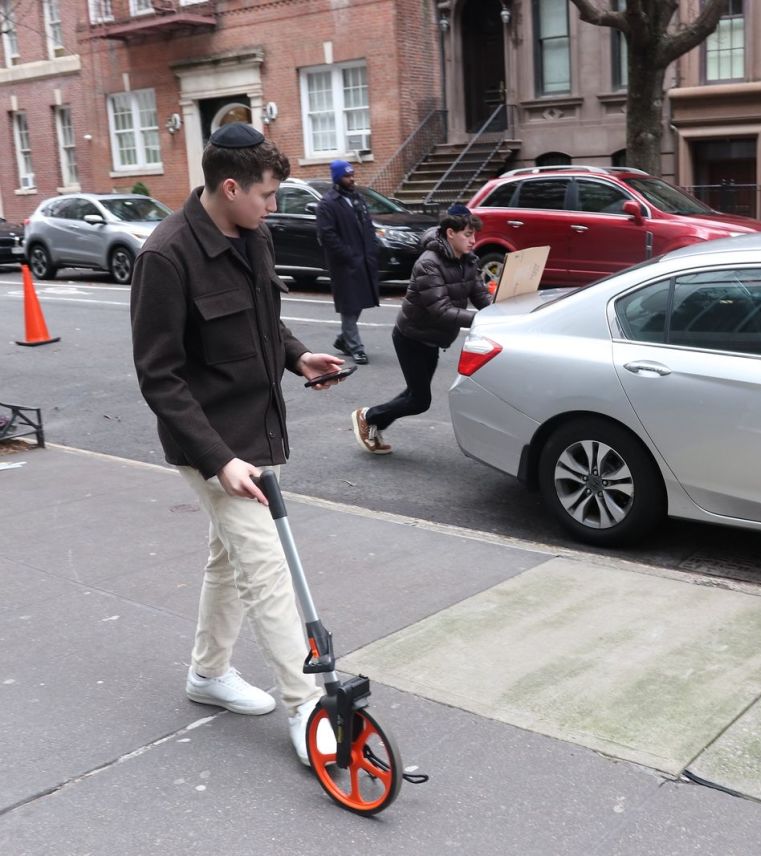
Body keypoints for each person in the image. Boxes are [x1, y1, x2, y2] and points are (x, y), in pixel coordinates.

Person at [130, 123, 340, 766]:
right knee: (266, 563)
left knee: (229, 561)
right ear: (230, 186)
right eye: (269, 195)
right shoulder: (165, 256)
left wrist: (299, 357)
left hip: (258, 430)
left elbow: (260, 320)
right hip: (209, 444)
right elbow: (158, 376)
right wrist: (217, 460)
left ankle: (207, 674)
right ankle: (307, 706)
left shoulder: (253, 236)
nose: (273, 207)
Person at [352, 207, 492, 454]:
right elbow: (440, 309)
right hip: (412, 337)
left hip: (432, 338)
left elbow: (480, 296)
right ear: (450, 233)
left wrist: (499, 313)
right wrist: (481, 320)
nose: (473, 241)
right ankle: (368, 416)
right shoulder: (429, 263)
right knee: (419, 400)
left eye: (474, 235)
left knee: (414, 393)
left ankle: (372, 421)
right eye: (468, 234)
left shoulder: (468, 261)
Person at [317, 159, 380, 365]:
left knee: (359, 301)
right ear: (337, 178)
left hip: (363, 259)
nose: (351, 178)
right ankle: (356, 348)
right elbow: (327, 235)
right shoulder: (328, 203)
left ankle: (344, 339)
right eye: (347, 175)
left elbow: (368, 226)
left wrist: (371, 250)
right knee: (349, 305)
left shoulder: (357, 198)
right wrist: (348, 255)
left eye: (352, 174)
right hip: (344, 263)